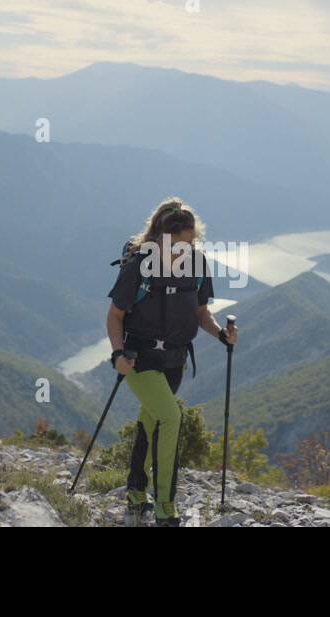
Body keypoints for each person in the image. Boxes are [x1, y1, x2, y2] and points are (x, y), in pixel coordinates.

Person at [106, 197, 238, 527]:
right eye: (180, 244)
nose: (186, 251)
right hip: (139, 357)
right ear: (161, 239)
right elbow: (115, 315)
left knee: (152, 422)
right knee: (171, 417)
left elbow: (201, 313)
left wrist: (222, 334)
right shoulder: (139, 265)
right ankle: (165, 504)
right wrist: (118, 354)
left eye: (191, 243)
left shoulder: (197, 264)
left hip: (175, 360)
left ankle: (136, 492)